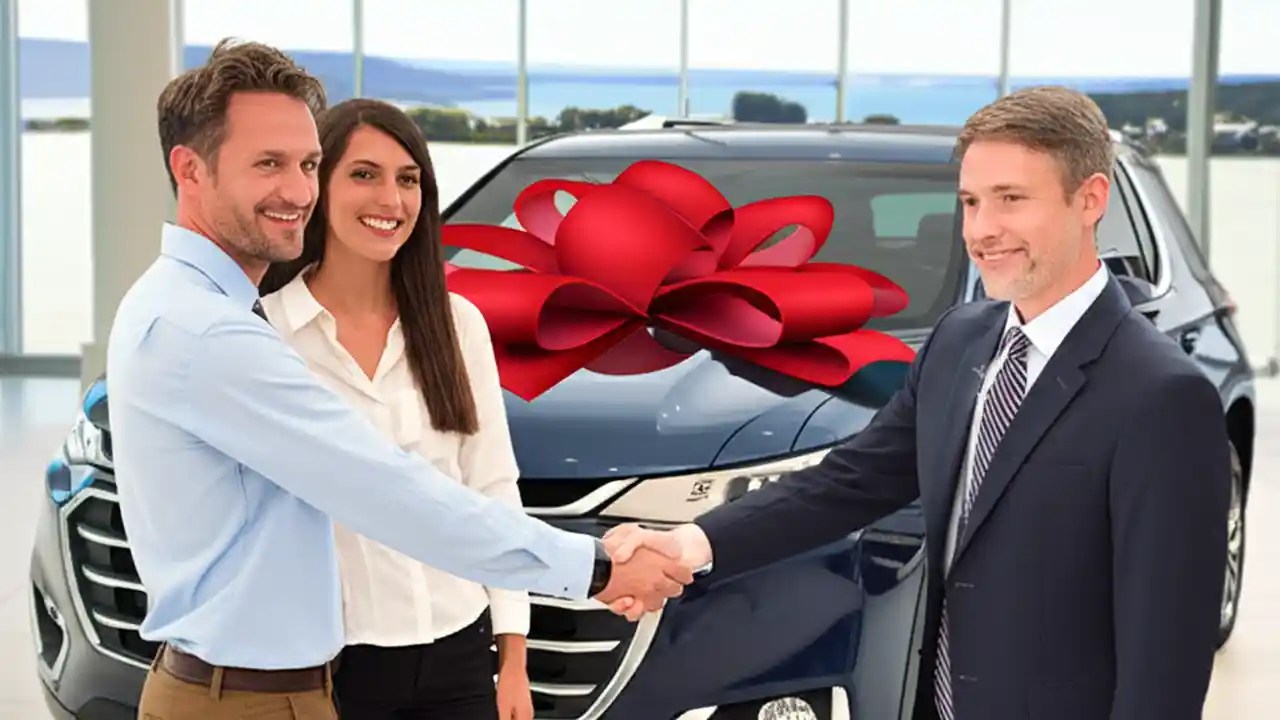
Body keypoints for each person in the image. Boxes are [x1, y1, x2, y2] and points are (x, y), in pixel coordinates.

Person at [604, 86, 1231, 720]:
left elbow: (1166, 660)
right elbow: (850, 481)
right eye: (970, 203)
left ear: (1090, 199)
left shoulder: (1161, 397)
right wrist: (690, 545)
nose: (982, 230)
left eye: (1011, 199)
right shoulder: (960, 340)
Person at [107, 39, 688, 720]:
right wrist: (596, 567)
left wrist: (513, 647)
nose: (296, 190)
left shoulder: (186, 307)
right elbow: (388, 492)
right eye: (268, 164)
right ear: (190, 170)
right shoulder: (218, 335)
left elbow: (481, 483)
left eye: (305, 165)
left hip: (298, 683)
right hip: (251, 697)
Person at [255, 98, 533, 720]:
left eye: (408, 179)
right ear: (316, 187)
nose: (392, 199)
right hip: (329, 666)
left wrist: (512, 659)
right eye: (364, 174)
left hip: (460, 652)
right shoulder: (266, 336)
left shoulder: (458, 327)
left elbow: (493, 490)